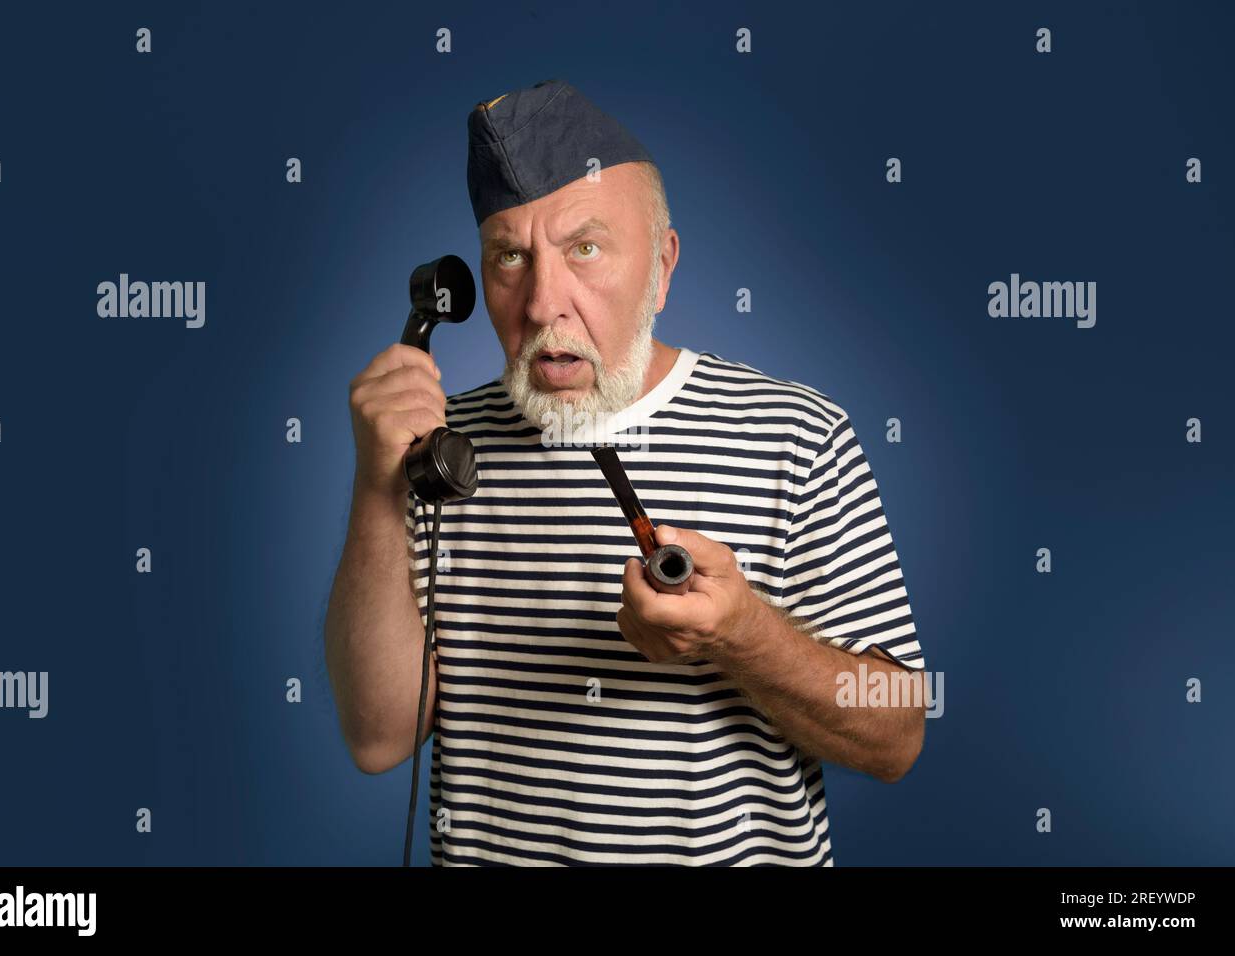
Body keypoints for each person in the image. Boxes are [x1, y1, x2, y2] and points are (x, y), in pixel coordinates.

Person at [325, 79, 926, 866]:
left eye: (584, 248)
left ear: (662, 266)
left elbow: (897, 734)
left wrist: (742, 634)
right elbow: (376, 738)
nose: (542, 303)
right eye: (510, 257)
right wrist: (378, 483)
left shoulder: (798, 436)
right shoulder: (436, 450)